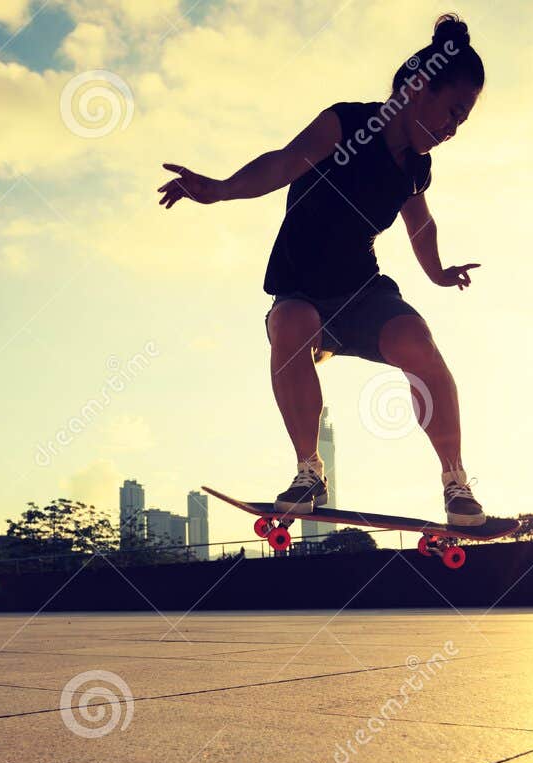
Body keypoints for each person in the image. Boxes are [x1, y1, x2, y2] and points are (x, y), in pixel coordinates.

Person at [158, 13, 488, 525]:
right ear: (419, 88)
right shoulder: (348, 124)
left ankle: (456, 483)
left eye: (462, 121)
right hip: (301, 290)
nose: (451, 129)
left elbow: (420, 223)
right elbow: (282, 163)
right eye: (451, 112)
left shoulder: (416, 167)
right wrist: (220, 189)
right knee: (289, 325)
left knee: (418, 342)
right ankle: (309, 470)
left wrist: (439, 272)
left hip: (360, 291)